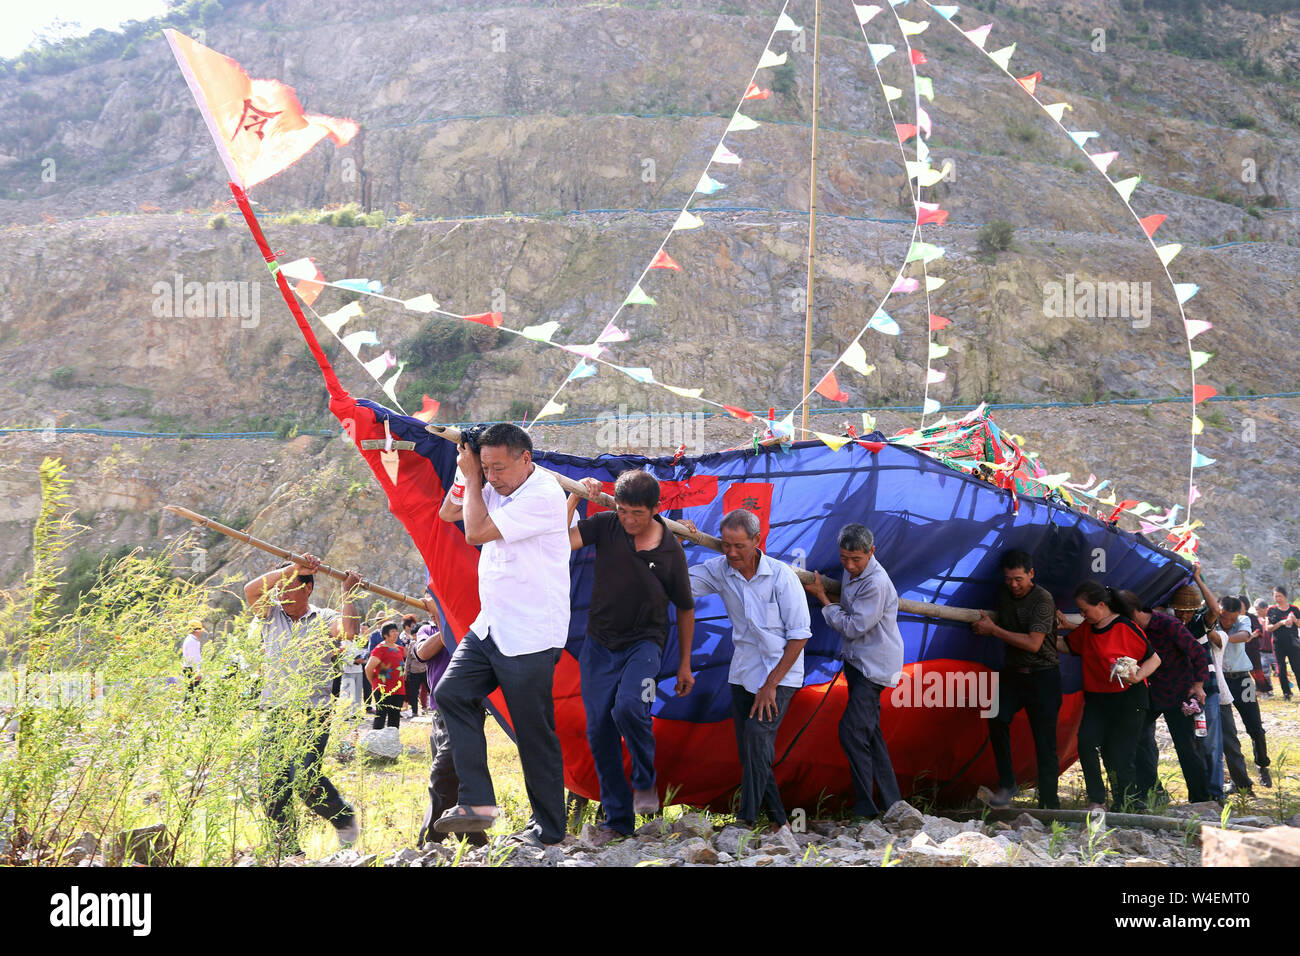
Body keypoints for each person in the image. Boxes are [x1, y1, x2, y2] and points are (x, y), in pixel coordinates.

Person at [433, 423, 571, 847]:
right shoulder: (488, 482)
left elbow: (474, 533)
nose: (493, 476)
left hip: (531, 632)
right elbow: (449, 514)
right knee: (452, 693)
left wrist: (474, 478)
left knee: (534, 733)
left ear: (526, 459)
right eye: (486, 466)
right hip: (491, 623)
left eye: (499, 467)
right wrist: (466, 473)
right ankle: (477, 803)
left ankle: (548, 829)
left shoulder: (543, 495)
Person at [567, 470, 696, 845]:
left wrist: (685, 663)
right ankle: (619, 821)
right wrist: (575, 500)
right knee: (599, 731)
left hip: (644, 646)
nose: (628, 520)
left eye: (636, 513)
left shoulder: (670, 549)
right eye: (622, 510)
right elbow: (559, 543)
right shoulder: (606, 525)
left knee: (629, 709)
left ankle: (644, 780)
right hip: (599, 645)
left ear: (656, 509)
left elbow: (685, 609)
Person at [687, 508, 811, 832]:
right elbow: (679, 586)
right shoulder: (720, 570)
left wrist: (771, 685)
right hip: (743, 672)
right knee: (750, 751)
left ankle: (745, 820)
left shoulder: (783, 577)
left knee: (757, 738)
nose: (730, 553)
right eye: (725, 545)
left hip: (780, 673)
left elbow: (799, 635)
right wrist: (676, 542)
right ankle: (781, 822)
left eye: (738, 546)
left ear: (757, 541)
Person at [244, 554, 363, 858]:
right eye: (279, 589)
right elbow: (250, 590)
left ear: (307, 589)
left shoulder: (324, 618)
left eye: (289, 587)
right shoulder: (271, 617)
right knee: (272, 781)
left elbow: (349, 633)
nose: (281, 594)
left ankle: (344, 819)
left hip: (314, 713)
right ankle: (287, 851)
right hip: (277, 711)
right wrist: (290, 570)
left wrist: (348, 592)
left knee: (305, 776)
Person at [803, 523, 903, 820]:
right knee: (870, 734)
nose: (849, 565)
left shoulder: (876, 582)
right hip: (859, 662)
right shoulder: (853, 570)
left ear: (871, 552)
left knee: (851, 732)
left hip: (873, 665)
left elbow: (854, 626)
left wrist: (823, 598)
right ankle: (893, 804)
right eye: (844, 558)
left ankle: (866, 808)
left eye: (856, 559)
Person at [968, 550, 1061, 810]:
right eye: (1009, 579)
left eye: (1019, 579)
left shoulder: (1043, 599)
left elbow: (1034, 644)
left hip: (1043, 675)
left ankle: (1049, 805)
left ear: (1031, 574)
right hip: (1013, 673)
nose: (1014, 585)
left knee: (1045, 741)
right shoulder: (1004, 594)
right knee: (995, 717)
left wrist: (994, 630)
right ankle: (1007, 783)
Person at [1056, 582, 1160, 811]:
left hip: (1128, 697)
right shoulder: (1088, 627)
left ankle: (1126, 803)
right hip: (1097, 698)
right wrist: (1040, 636)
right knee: (1086, 743)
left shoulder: (1125, 627)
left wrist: (1138, 675)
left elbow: (1154, 658)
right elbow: (1069, 646)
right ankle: (1097, 799)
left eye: (1085, 610)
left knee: (1120, 754)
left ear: (1101, 605)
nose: (1082, 615)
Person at [1123, 592, 1211, 806]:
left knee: (1186, 747)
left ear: (1133, 613)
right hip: (1151, 692)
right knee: (1133, 737)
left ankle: (1201, 801)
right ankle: (1152, 793)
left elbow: (1197, 652)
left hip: (1179, 693)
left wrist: (1198, 685)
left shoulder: (1168, 625)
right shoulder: (1131, 629)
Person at [412, 617, 488, 848]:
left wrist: (451, 619)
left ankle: (429, 838)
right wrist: (443, 622)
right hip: (438, 714)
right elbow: (423, 653)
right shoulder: (427, 629)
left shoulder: (466, 622)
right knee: (457, 772)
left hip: (465, 711)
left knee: (443, 772)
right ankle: (473, 838)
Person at [1167, 570, 1227, 800]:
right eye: (1179, 610)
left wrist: (1199, 579)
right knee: (1192, 745)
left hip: (1206, 692)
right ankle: (1200, 794)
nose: (1183, 615)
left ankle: (1215, 794)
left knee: (1210, 744)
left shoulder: (1200, 624)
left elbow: (1214, 610)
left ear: (1194, 610)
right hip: (1181, 693)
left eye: (1188, 611)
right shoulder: (1170, 625)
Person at [1218, 597, 1271, 789]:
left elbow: (1244, 636)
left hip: (1243, 680)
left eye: (1232, 619)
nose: (1228, 622)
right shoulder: (1211, 621)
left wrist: (1221, 637)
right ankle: (1237, 780)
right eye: (1224, 618)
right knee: (1227, 734)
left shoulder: (1243, 620)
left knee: (1255, 726)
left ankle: (1262, 765)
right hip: (1220, 681)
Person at [365, 622, 406, 730]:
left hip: (398, 689)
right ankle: (375, 743)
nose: (396, 633)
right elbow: (368, 668)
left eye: (396, 631)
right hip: (382, 689)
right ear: (385, 635)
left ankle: (392, 742)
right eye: (392, 631)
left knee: (395, 717)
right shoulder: (380, 649)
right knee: (380, 716)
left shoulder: (400, 649)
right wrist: (373, 683)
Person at [1262, 587, 1300, 701]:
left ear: (1285, 596)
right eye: (1275, 596)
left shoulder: (1294, 609)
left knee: (1297, 668)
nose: (1277, 598)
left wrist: (1295, 620)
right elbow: (1268, 628)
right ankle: (1287, 693)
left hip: (1294, 643)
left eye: (1280, 596)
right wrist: (1280, 623)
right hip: (1278, 644)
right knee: (1281, 670)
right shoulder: (1271, 610)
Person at [405, 619, 429, 718]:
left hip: (426, 670)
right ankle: (414, 711)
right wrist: (406, 671)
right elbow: (408, 659)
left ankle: (435, 708)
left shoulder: (427, 642)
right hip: (414, 671)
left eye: (416, 635)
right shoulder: (412, 644)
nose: (414, 637)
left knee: (430, 689)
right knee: (413, 692)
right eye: (413, 635)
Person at [1254, 598, 1276, 698]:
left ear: (1265, 609)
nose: (1256, 611)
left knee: (1280, 671)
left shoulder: (1272, 619)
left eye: (1258, 609)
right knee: (1265, 672)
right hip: (1262, 651)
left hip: (1274, 651)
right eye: (1256, 609)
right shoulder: (1257, 621)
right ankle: (1268, 690)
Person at [181, 619, 203, 712]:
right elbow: (194, 658)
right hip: (192, 669)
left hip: (190, 668)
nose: (201, 632)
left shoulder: (192, 640)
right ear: (196, 630)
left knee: (193, 690)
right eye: (200, 630)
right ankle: (186, 711)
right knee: (192, 691)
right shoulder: (192, 641)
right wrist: (197, 671)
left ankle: (195, 711)